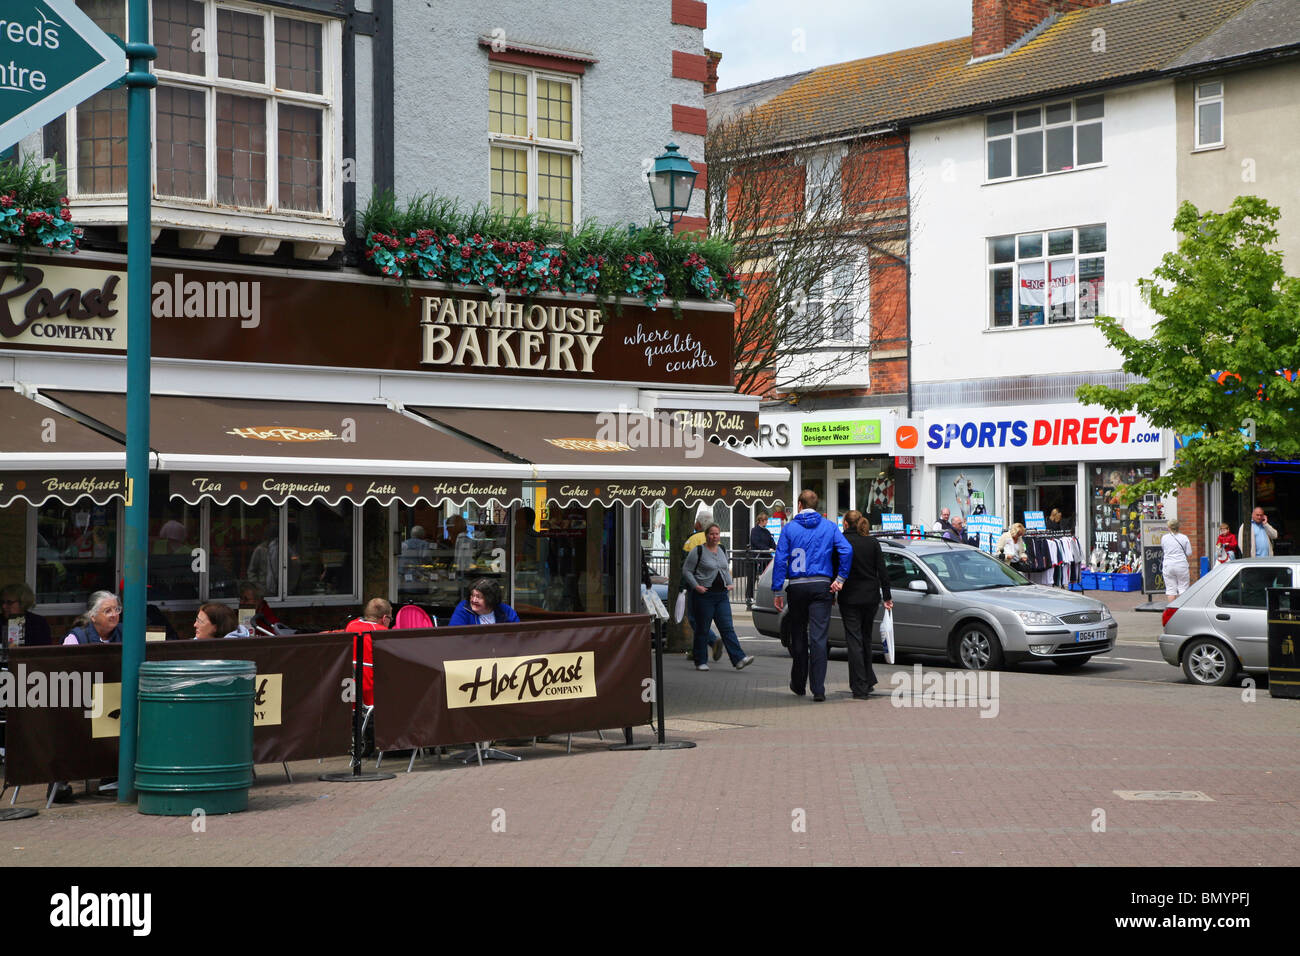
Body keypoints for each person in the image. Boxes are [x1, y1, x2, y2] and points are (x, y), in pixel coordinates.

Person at [772, 489, 852, 702]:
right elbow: (846, 550)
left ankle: (798, 683)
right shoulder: (829, 526)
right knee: (818, 638)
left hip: (797, 586)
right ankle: (818, 688)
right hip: (821, 586)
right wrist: (840, 579)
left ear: (799, 505)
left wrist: (778, 589)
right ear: (816, 506)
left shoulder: (789, 529)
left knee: (797, 634)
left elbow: (780, 560)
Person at [683, 524, 754, 672]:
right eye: (711, 534)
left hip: (721, 596)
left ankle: (739, 659)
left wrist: (730, 583)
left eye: (717, 534)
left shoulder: (722, 549)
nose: (715, 537)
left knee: (727, 628)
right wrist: (696, 586)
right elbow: (687, 571)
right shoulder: (698, 551)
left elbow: (724, 568)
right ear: (706, 535)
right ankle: (700, 661)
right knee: (702, 629)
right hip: (704, 596)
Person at [839, 511, 892, 700]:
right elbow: (882, 571)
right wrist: (887, 596)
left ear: (845, 523)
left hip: (849, 596)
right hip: (870, 597)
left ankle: (860, 686)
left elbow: (835, 567)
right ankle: (867, 680)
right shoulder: (872, 542)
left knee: (854, 641)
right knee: (866, 639)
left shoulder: (841, 542)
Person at [681, 506, 722, 661]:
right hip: (713, 586)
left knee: (694, 618)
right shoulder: (714, 540)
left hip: (695, 586)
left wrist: (682, 587)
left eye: (696, 521)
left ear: (699, 524)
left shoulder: (692, 540)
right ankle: (696, 651)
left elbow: (684, 566)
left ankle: (712, 640)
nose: (694, 524)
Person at [345, 598, 393, 711]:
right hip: (370, 693)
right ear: (385, 618)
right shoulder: (382, 635)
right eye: (391, 618)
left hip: (348, 690)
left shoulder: (351, 626)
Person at [448, 578, 520, 626]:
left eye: (479, 597)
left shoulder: (505, 610)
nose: (474, 600)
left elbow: (518, 632)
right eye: (472, 595)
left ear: (490, 599)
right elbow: (455, 635)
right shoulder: (464, 608)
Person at [2, 582, 52, 648]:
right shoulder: (1, 621)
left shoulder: (37, 623)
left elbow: (44, 651)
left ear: (22, 602)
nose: (3, 606)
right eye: (2, 602)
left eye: (9, 602)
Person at [1161, 519, 1193, 599]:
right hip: (1181, 565)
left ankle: (1172, 610)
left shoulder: (1164, 538)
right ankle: (1181, 609)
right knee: (1183, 588)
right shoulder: (1184, 537)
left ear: (1169, 527)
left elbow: (1163, 549)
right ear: (1178, 527)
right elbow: (1189, 552)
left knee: (1170, 590)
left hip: (1168, 565)